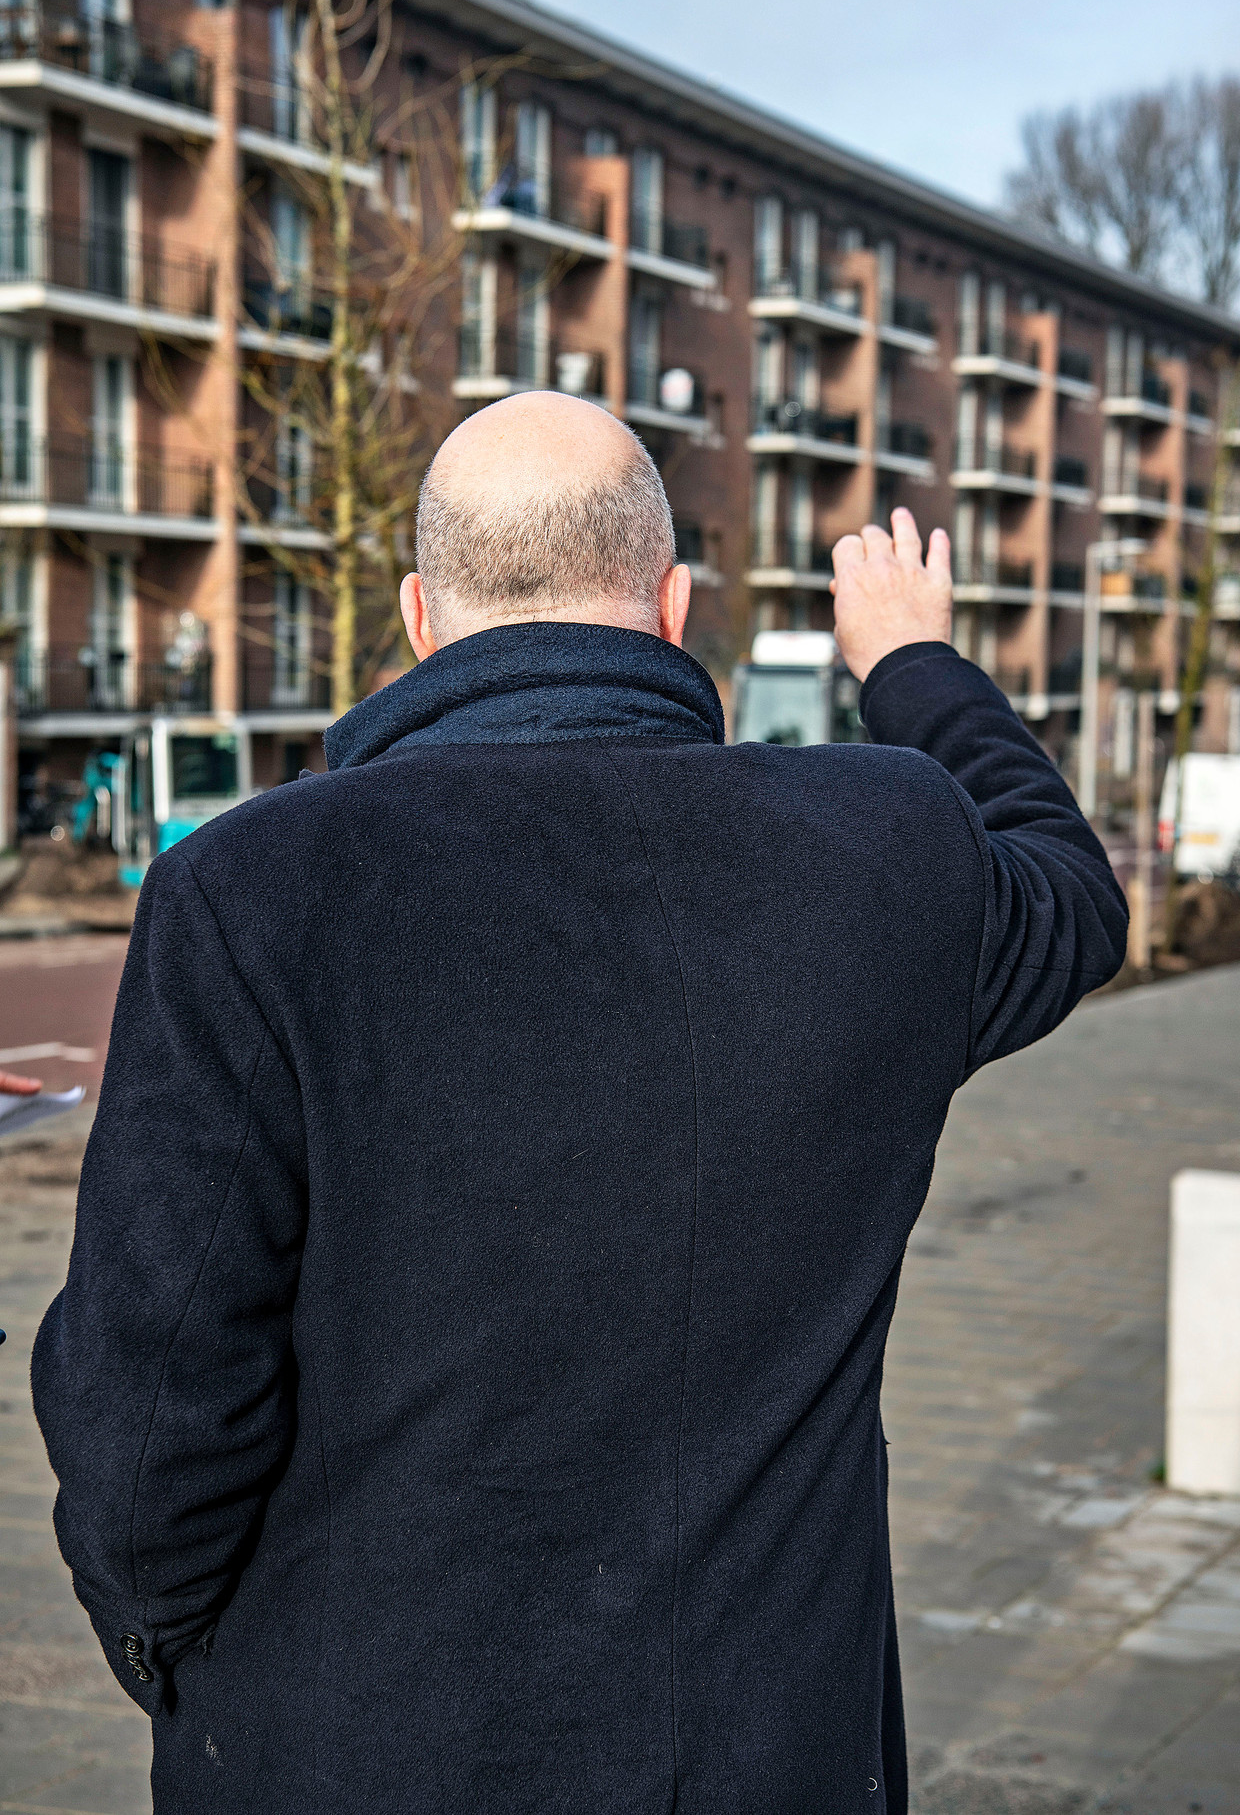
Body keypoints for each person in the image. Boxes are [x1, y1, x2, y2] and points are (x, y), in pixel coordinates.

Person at [32, 393, 1127, 1814]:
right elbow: (1067, 883)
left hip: (350, 1746)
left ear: (420, 616)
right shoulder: (885, 848)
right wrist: (910, 657)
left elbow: (151, 1398)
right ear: (670, 605)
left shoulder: (253, 891)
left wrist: (182, 1655)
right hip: (767, 1751)